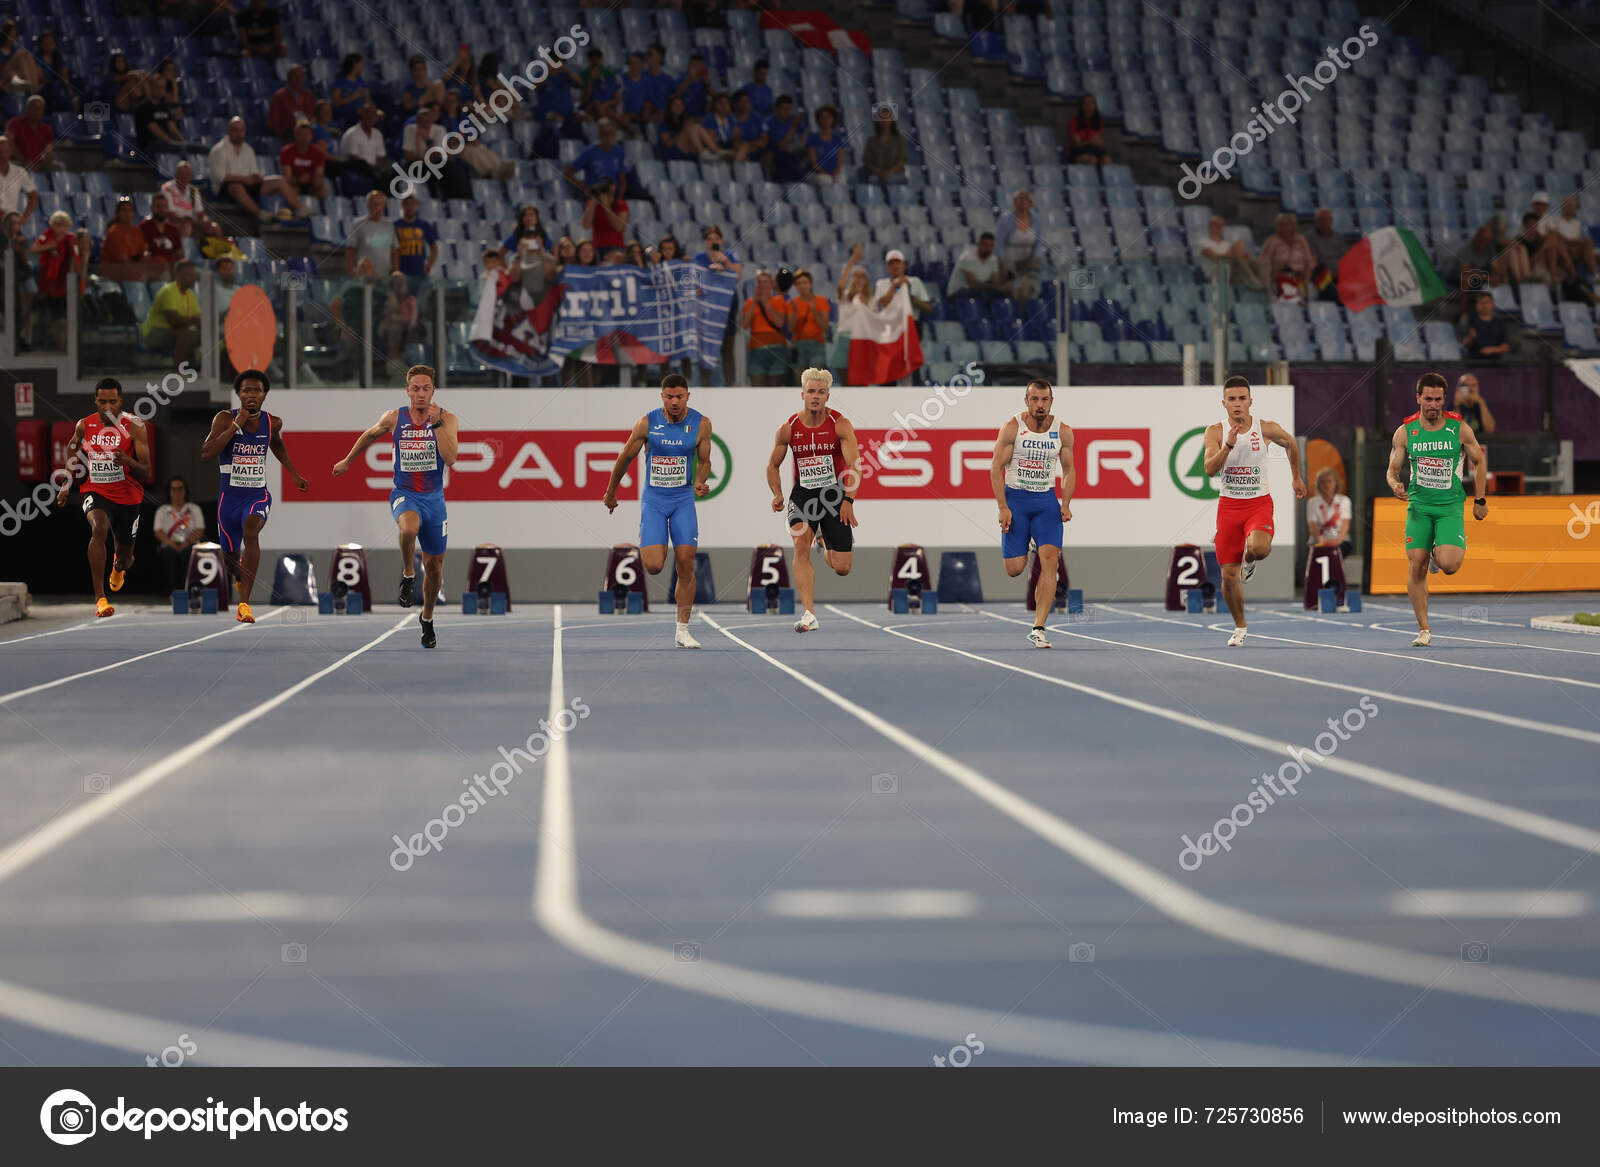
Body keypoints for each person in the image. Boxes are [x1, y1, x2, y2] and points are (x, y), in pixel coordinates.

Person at [332, 365, 458, 648]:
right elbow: (370, 434)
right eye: (415, 388)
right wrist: (348, 460)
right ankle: (408, 575)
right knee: (408, 527)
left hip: (434, 500)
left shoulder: (447, 419)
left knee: (435, 568)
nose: (421, 394)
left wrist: (436, 425)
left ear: (433, 391)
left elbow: (451, 458)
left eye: (426, 388)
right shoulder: (393, 417)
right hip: (405, 494)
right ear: (407, 391)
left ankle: (427, 619)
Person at [602, 374, 714, 649]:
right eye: (669, 397)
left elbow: (705, 461)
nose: (674, 402)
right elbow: (625, 458)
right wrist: (611, 492)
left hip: (683, 501)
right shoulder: (646, 423)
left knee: (686, 561)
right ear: (662, 396)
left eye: (679, 397)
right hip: (654, 501)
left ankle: (682, 630)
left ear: (688, 396)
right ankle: (651, 534)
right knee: (654, 566)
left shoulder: (701, 424)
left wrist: (700, 481)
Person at [1202, 374, 1306, 646]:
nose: (1237, 404)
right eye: (1232, 399)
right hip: (1229, 506)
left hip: (1258, 503)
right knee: (1228, 577)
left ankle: (1249, 558)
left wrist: (1296, 477)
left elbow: (1291, 443)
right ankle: (1240, 627)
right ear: (1224, 403)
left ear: (1250, 401)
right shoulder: (1215, 431)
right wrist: (1228, 445)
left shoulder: (1265, 428)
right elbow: (1210, 469)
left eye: (1242, 399)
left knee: (1260, 549)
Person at [1386, 371, 1488, 646]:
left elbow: (1479, 461)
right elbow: (1392, 470)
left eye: (1438, 400)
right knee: (1416, 565)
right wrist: (1395, 485)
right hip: (1419, 507)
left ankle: (1436, 554)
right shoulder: (1405, 432)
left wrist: (1480, 500)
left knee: (1450, 565)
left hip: (1449, 507)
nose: (1433, 404)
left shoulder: (1459, 429)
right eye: (1428, 399)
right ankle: (1424, 629)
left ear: (1444, 399)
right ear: (1418, 398)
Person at [198, 368, 309, 622]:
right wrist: (235, 426)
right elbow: (206, 453)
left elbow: (276, 443)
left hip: (257, 495)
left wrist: (293, 474)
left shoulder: (273, 423)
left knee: (251, 530)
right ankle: (239, 576)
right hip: (228, 500)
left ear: (264, 395)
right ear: (239, 394)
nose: (251, 394)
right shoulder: (224, 419)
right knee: (229, 559)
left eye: (256, 390)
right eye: (246, 390)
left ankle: (244, 603)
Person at [766, 368, 859, 633]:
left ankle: (824, 541)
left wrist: (848, 501)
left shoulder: (840, 424)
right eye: (811, 392)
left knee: (842, 567)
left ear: (828, 396)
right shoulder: (788, 428)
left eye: (821, 392)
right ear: (802, 394)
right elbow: (773, 465)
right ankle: (809, 614)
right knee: (800, 544)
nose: (815, 396)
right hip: (803, 496)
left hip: (833, 496)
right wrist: (777, 493)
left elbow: (855, 466)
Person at [53, 377, 152, 618]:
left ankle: (118, 566)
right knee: (98, 529)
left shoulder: (135, 426)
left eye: (113, 402)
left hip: (127, 496)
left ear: (121, 401)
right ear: (95, 401)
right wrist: (67, 481)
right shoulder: (84, 425)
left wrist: (127, 460)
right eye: (102, 402)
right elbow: (73, 447)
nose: (108, 407)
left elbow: (146, 471)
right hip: (96, 490)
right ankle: (100, 598)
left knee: (126, 559)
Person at [991, 379, 1075, 648]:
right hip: (1016, 501)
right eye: (1035, 399)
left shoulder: (1063, 431)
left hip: (1046, 503)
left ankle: (1038, 628)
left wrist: (1065, 503)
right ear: (1026, 401)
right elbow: (996, 468)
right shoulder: (1012, 427)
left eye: (1045, 400)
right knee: (1014, 569)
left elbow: (1069, 470)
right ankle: (1028, 543)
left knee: (1050, 561)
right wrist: (1003, 507)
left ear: (1051, 401)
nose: (1040, 405)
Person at [209, 116, 303, 222]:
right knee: (236, 187)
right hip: (226, 188)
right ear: (229, 131)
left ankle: (301, 210)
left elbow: (254, 172)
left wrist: (256, 177)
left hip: (248, 185)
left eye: (241, 130)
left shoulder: (248, 149)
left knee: (279, 180)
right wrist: (244, 179)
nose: (239, 134)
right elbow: (220, 177)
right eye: (235, 130)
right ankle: (260, 214)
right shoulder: (219, 150)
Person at [140, 259, 201, 369]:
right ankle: (178, 371)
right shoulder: (168, 291)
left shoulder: (191, 294)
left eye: (193, 275)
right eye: (188, 275)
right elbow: (175, 321)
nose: (193, 279)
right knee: (185, 334)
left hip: (175, 331)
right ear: (177, 275)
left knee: (205, 335)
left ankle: (200, 367)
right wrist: (194, 319)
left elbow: (198, 320)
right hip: (155, 332)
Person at [153, 474, 205, 590]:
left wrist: (185, 544)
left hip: (190, 545)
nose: (177, 492)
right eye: (174, 489)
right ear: (169, 491)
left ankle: (190, 589)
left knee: (189, 553)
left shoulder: (194, 508)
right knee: (169, 554)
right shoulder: (162, 510)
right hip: (169, 545)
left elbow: (200, 530)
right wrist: (173, 544)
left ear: (185, 490)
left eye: (180, 488)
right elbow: (158, 532)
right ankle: (172, 591)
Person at [743, 268, 790, 386]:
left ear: (771, 285)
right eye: (759, 282)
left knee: (775, 388)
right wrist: (755, 302)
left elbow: (780, 323)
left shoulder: (779, 300)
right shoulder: (750, 302)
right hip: (756, 349)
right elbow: (744, 325)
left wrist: (766, 304)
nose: (762, 285)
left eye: (765, 282)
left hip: (777, 349)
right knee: (757, 387)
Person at [994, 190, 1042, 303]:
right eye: (1020, 199)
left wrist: (1034, 259)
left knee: (1026, 289)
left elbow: (1039, 245)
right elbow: (999, 245)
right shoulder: (1006, 219)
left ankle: (1026, 312)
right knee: (1015, 291)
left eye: (1026, 200)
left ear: (1031, 204)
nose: (1023, 202)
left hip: (1028, 265)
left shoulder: (1036, 220)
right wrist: (1003, 265)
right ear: (1015, 202)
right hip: (1009, 264)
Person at [1257, 212, 1314, 297]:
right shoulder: (1272, 241)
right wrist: (1273, 274)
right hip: (1280, 276)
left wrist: (1306, 275)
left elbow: (1309, 260)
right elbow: (1263, 262)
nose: (1284, 228)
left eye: (1287, 225)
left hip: (1300, 276)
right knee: (1291, 292)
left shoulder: (1301, 239)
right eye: (1281, 225)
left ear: (1294, 226)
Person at [787, 269, 831, 372]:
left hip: (817, 344)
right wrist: (795, 313)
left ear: (811, 284)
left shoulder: (821, 301)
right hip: (798, 345)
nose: (802, 286)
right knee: (799, 377)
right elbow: (791, 329)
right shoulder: (792, 303)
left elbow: (825, 328)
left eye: (805, 283)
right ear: (795, 286)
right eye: (799, 283)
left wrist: (815, 312)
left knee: (815, 377)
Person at [948, 232, 1010, 302]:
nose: (988, 248)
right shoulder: (967, 256)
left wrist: (1001, 286)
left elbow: (994, 281)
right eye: (985, 244)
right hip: (958, 291)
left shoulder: (992, 259)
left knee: (1005, 294)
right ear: (979, 244)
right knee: (982, 295)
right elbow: (973, 284)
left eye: (991, 245)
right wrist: (997, 287)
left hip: (979, 290)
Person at [346, 189, 395, 276]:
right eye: (374, 204)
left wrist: (395, 271)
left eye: (380, 204)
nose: (377, 207)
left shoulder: (389, 225)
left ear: (384, 205)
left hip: (385, 276)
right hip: (364, 276)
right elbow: (350, 250)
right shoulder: (358, 224)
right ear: (368, 205)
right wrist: (351, 271)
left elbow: (394, 250)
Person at [1306, 467, 1352, 556]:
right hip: (1318, 540)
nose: (1326, 485)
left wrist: (1337, 541)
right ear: (1319, 485)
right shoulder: (1312, 502)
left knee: (1338, 552)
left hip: (1340, 540)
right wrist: (1322, 541)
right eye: (1323, 482)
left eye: (1329, 481)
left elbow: (1345, 525)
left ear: (1336, 483)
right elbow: (1313, 527)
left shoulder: (1344, 500)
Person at [861, 106, 907, 187]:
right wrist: (879, 173)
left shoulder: (900, 139)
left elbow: (902, 160)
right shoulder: (871, 140)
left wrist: (889, 172)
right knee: (872, 179)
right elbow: (868, 161)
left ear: (892, 120)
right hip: (876, 175)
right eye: (881, 118)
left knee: (893, 180)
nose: (884, 120)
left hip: (896, 174)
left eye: (887, 117)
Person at [806, 105, 847, 187]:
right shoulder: (813, 138)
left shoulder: (837, 139)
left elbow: (840, 161)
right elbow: (814, 164)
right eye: (822, 117)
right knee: (826, 180)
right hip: (817, 174)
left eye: (829, 117)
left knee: (841, 180)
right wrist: (828, 175)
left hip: (834, 173)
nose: (826, 120)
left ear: (833, 120)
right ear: (818, 120)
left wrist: (834, 174)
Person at [0, 134, 37, 223]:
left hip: (10, 221)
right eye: (0, 151)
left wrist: (24, 217)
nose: (3, 155)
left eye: (6, 151)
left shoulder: (19, 171)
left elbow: (33, 196)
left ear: (11, 152)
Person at [1461, 292, 1510, 358]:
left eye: (1487, 302)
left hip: (1496, 362)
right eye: (1481, 303)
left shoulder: (1499, 323)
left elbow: (1505, 346)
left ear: (1493, 304)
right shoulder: (1471, 322)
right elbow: (1464, 345)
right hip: (1474, 361)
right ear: (1476, 305)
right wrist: (1471, 337)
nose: (1484, 305)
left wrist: (1491, 350)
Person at [1066, 94, 1109, 169]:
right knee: (1092, 160)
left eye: (1092, 103)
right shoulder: (1074, 121)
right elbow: (1078, 143)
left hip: (1093, 150)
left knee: (1107, 160)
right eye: (1086, 103)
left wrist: (1100, 143)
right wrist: (1091, 141)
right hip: (1078, 151)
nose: (1089, 106)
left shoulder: (1099, 121)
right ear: (1081, 106)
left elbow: (1097, 140)